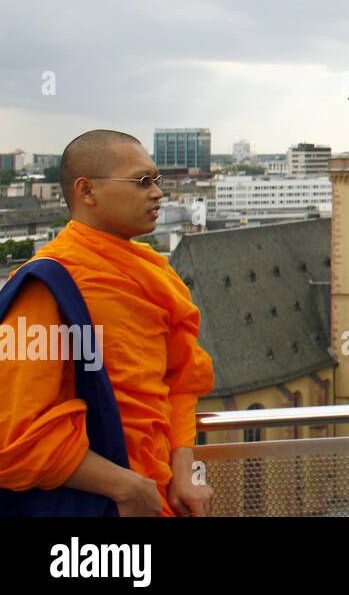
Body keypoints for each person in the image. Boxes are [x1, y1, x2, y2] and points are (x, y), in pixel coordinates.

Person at [0, 130, 215, 516]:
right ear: (86, 191)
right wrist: (125, 486)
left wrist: (184, 471)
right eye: (142, 181)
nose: (157, 193)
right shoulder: (46, 286)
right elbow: (17, 437)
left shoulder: (156, 274)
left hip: (160, 494)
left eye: (157, 180)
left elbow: (181, 382)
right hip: (96, 505)